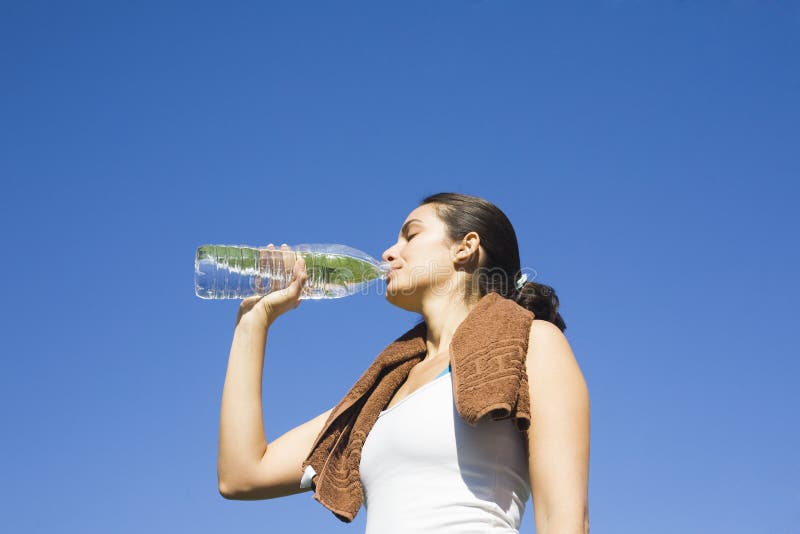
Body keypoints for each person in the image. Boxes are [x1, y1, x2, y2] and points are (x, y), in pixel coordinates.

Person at [216, 192, 590, 534]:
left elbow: (565, 520)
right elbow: (242, 475)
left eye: (410, 236)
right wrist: (254, 320)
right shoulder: (380, 395)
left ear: (466, 247)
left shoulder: (533, 342)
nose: (388, 253)